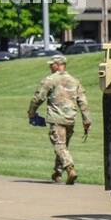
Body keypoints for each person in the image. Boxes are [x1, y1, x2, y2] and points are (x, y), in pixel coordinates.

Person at [28, 54, 91, 185]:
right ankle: (57, 173)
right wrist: (86, 120)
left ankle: (70, 169)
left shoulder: (50, 80)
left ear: (58, 64)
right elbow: (83, 102)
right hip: (70, 119)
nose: (50, 66)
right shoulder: (75, 81)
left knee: (60, 146)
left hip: (56, 118)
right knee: (63, 146)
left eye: (52, 64)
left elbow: (38, 98)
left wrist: (31, 112)